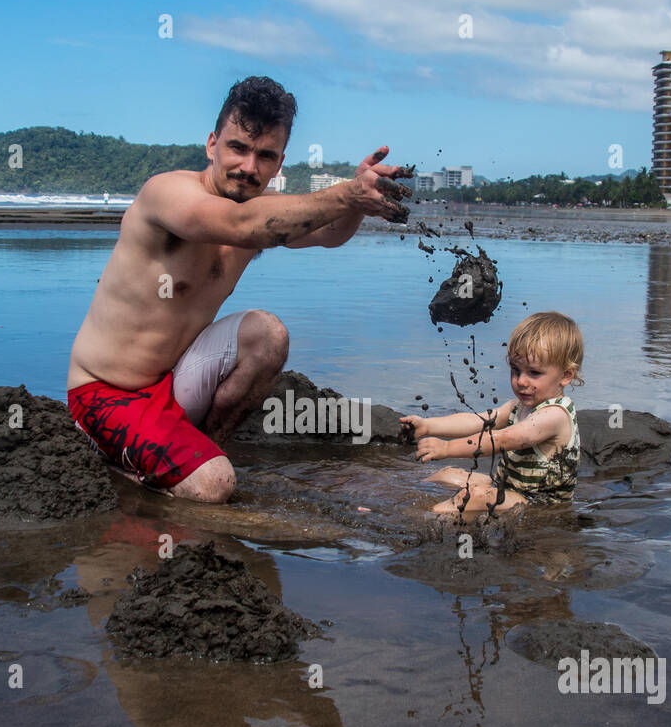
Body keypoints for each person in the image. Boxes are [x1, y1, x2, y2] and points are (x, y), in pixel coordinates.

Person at [66, 76, 412, 503]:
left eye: (265, 155)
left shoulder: (260, 213)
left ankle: (206, 448)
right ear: (212, 144)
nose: (249, 167)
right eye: (238, 148)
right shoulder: (167, 194)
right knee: (216, 486)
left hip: (173, 382)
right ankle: (142, 470)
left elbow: (330, 233)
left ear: (279, 163)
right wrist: (346, 194)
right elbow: (237, 224)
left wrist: (359, 200)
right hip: (106, 392)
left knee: (267, 334)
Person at [402, 311, 584, 514]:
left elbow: (503, 439)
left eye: (534, 373)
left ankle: (425, 518)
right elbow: (477, 420)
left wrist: (447, 448)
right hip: (508, 486)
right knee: (446, 474)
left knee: (473, 497)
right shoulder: (517, 407)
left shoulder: (555, 415)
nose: (521, 381)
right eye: (516, 370)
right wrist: (429, 426)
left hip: (538, 502)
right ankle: (403, 497)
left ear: (566, 375)